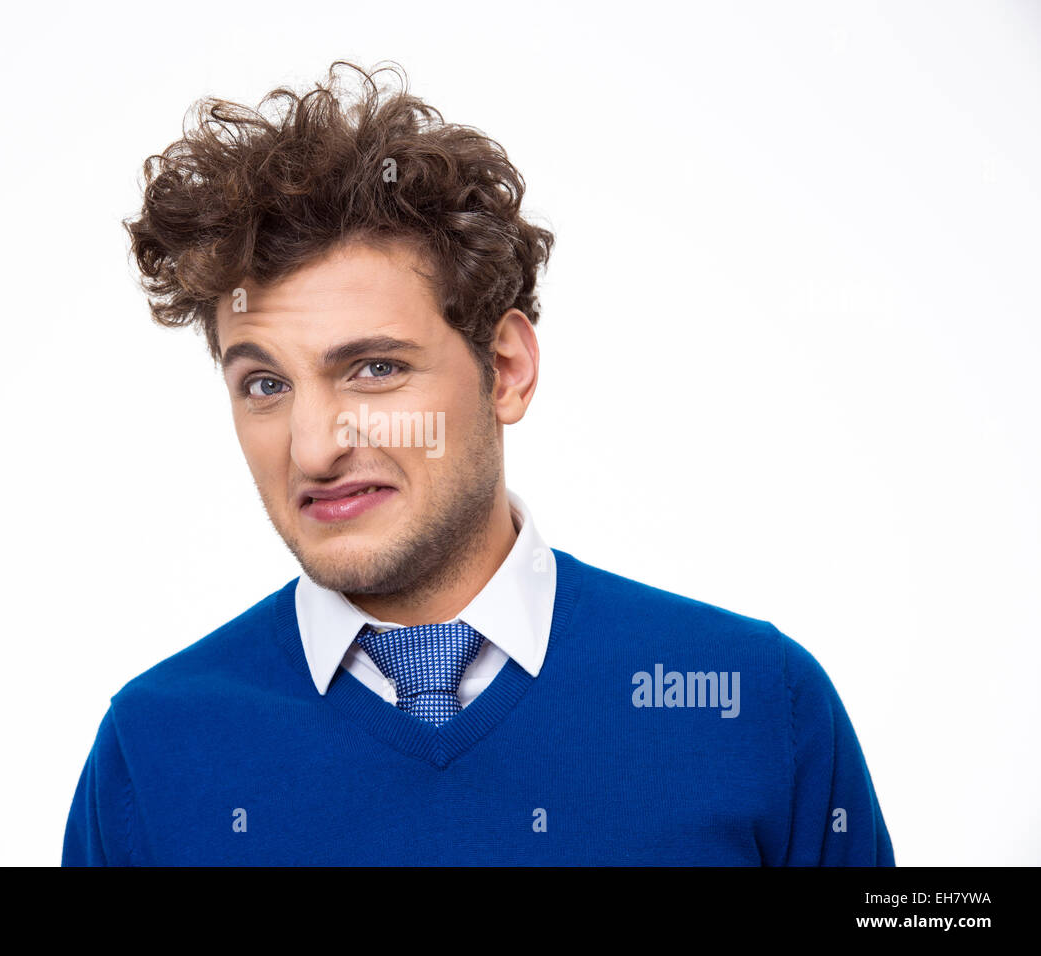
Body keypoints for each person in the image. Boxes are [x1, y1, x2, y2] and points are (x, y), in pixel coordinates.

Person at [62, 61, 894, 866]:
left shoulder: (751, 703)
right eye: (265, 383)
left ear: (505, 370)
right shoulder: (154, 753)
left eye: (374, 369)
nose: (314, 447)